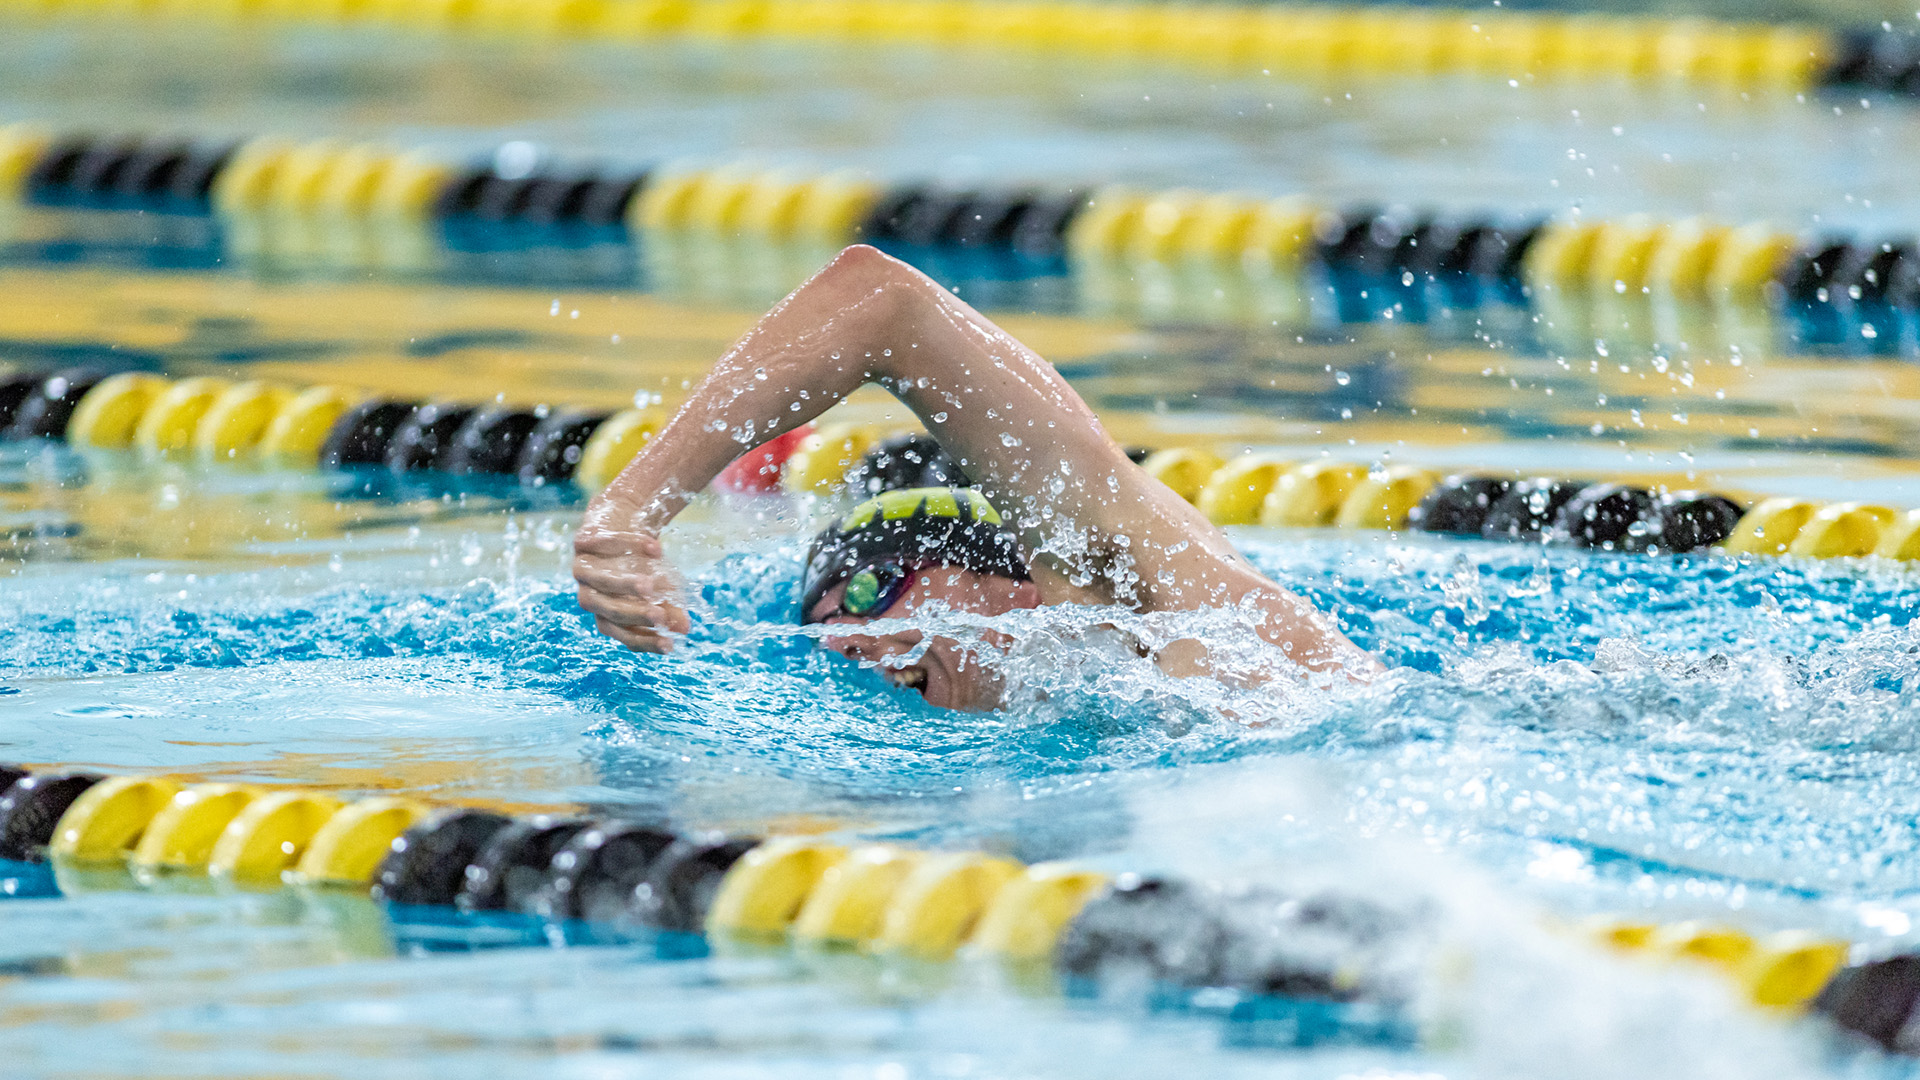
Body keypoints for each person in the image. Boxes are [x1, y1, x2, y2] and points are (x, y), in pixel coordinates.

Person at [572, 244, 1379, 711]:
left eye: (869, 592)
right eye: (825, 631)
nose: (848, 641)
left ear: (1011, 577)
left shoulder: (1107, 571)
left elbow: (881, 301)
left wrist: (628, 509)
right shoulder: (1065, 722)